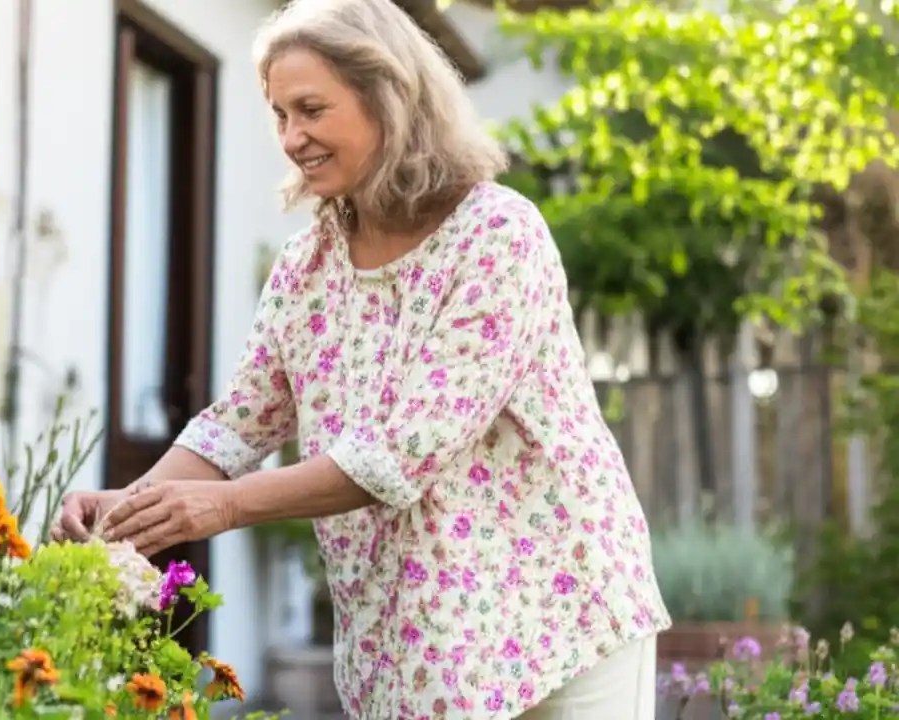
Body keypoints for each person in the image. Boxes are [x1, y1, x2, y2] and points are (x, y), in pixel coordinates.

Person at [52, 0, 671, 717]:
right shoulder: (306, 267)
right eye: (280, 114)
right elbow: (239, 424)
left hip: (559, 617)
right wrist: (129, 514)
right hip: (417, 640)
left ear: (389, 98)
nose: (292, 137)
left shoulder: (500, 236)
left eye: (311, 109)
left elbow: (400, 455)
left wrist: (218, 507)